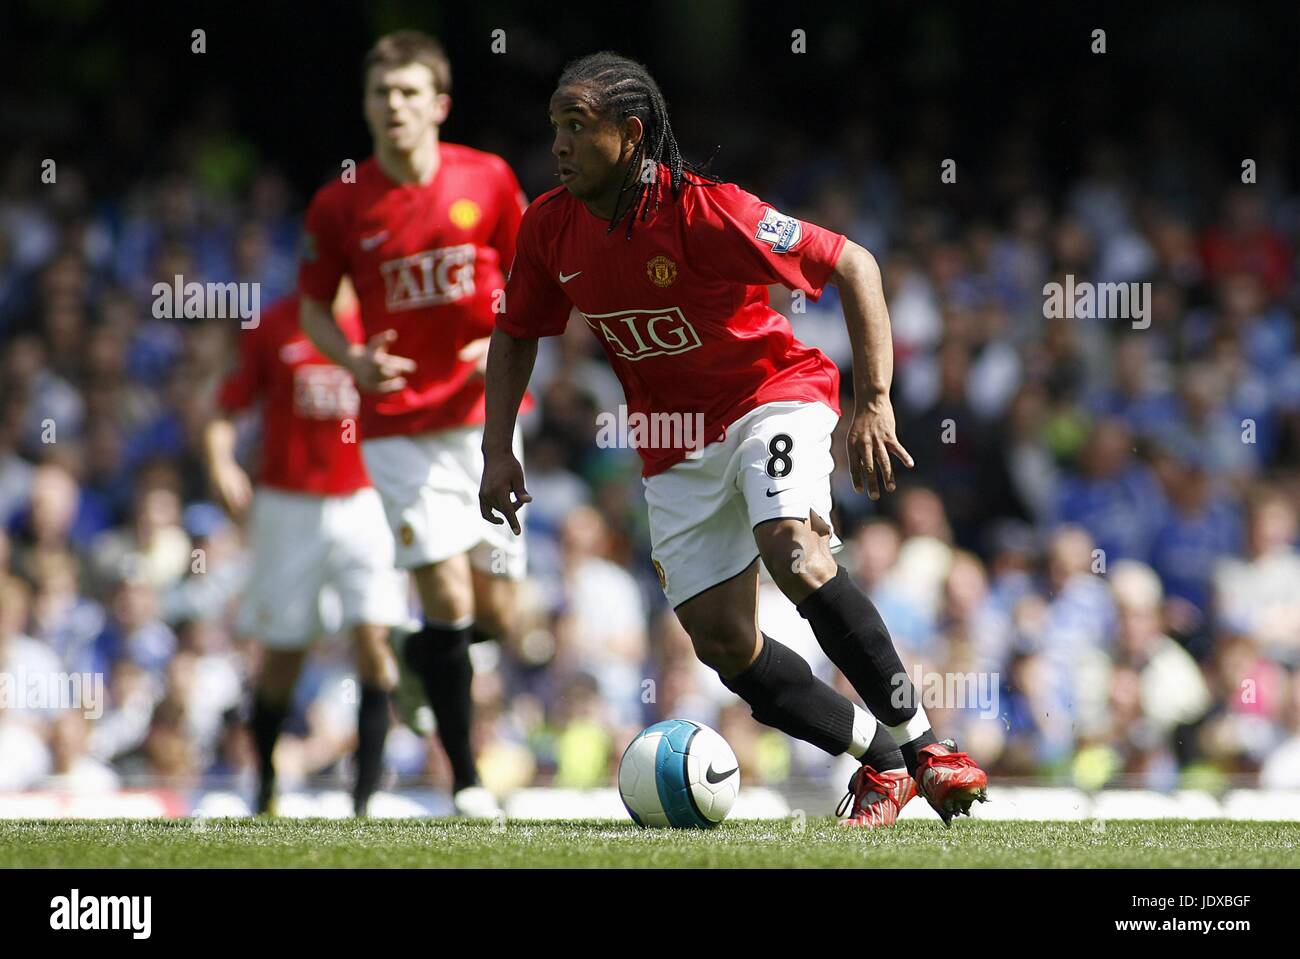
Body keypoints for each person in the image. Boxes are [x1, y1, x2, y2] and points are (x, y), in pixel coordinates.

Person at [480, 52, 988, 827]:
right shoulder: (549, 226)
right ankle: (881, 761)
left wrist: (874, 403)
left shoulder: (705, 212)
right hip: (673, 443)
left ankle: (926, 748)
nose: (558, 145)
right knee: (724, 644)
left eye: (576, 128)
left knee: (793, 547)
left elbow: (852, 262)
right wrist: (495, 449)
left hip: (770, 398)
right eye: (555, 127)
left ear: (632, 133)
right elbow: (515, 334)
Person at [298, 31, 531, 817]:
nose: (393, 106)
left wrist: (497, 333)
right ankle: (465, 778)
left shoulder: (489, 178)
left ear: (438, 104)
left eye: (407, 92)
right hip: (398, 425)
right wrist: (355, 361)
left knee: (501, 612)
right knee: (445, 589)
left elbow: (530, 274)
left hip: (487, 416)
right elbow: (310, 308)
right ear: (367, 106)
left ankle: (419, 656)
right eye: (380, 94)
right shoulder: (340, 202)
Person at [205, 282, 407, 816]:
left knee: (374, 636)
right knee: (283, 654)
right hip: (288, 506)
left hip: (367, 498)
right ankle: (266, 782)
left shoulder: (384, 317)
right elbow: (228, 405)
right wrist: (222, 462)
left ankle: (366, 795)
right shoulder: (275, 324)